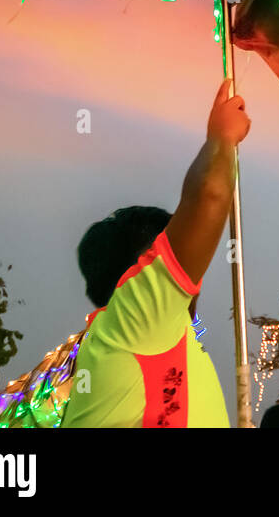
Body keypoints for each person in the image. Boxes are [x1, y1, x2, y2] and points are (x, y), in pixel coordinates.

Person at [62, 80, 251, 427]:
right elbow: (209, 194)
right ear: (143, 267)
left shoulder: (140, 334)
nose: (198, 266)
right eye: (172, 245)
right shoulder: (138, 318)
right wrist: (221, 138)